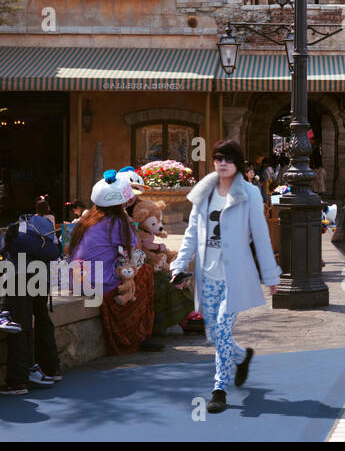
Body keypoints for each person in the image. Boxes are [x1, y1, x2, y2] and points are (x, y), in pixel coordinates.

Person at [171, 140, 281, 414]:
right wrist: (179, 265)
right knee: (215, 333)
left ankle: (219, 389)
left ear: (238, 164)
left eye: (228, 159)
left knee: (221, 328)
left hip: (236, 273)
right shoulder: (204, 192)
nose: (222, 163)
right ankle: (242, 357)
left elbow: (261, 235)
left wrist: (270, 274)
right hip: (208, 273)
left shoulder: (250, 194)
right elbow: (192, 232)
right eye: (218, 158)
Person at [68, 170, 161, 357]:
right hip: (98, 282)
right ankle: (140, 335)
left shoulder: (87, 220)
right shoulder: (117, 222)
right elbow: (136, 251)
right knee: (146, 273)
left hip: (76, 280)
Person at [1, 197, 61, 394]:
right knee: (42, 318)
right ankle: (51, 369)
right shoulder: (45, 227)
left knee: (19, 323)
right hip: (41, 273)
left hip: (18, 274)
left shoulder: (15, 229)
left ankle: (18, 381)